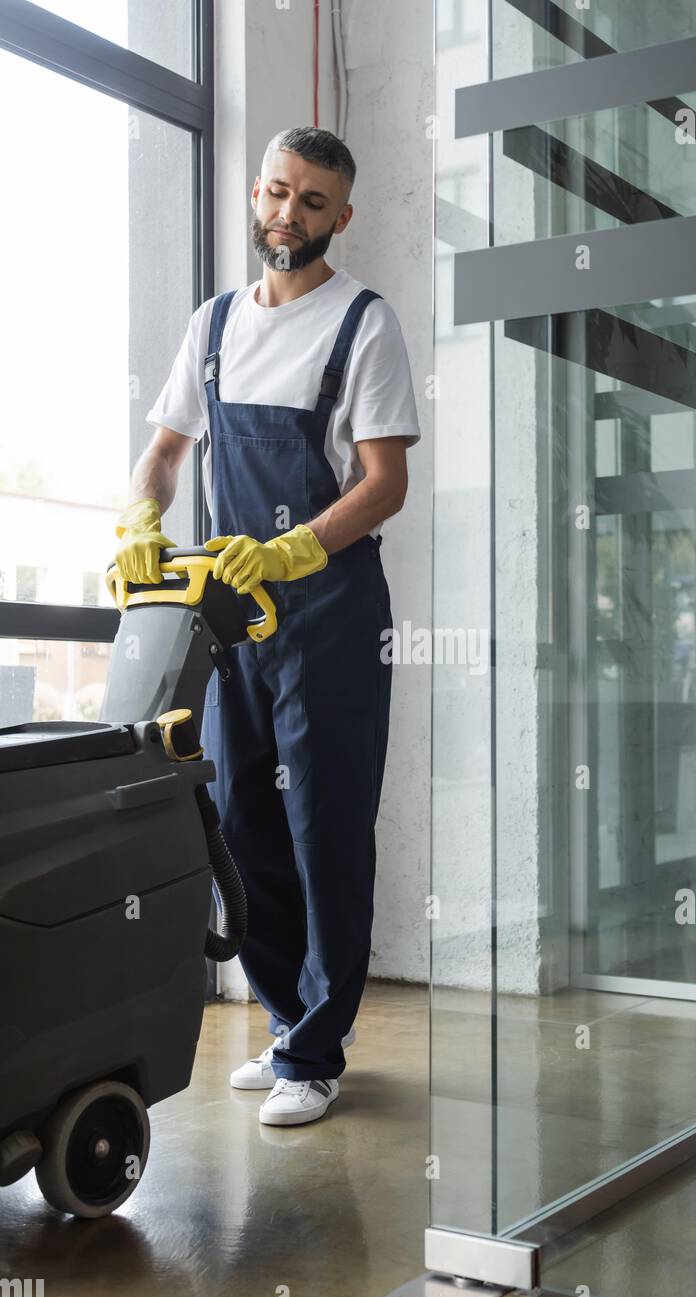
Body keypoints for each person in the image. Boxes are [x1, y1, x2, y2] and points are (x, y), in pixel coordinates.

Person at [113, 126, 420, 1126]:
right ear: (256, 193)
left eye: (313, 202)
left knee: (324, 824)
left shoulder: (364, 323)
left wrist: (292, 551)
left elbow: (385, 483)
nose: (290, 216)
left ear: (342, 216)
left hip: (328, 612)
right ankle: (289, 1018)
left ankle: (317, 1051)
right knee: (241, 819)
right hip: (229, 616)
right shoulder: (210, 325)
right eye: (279, 193)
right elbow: (164, 454)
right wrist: (138, 516)